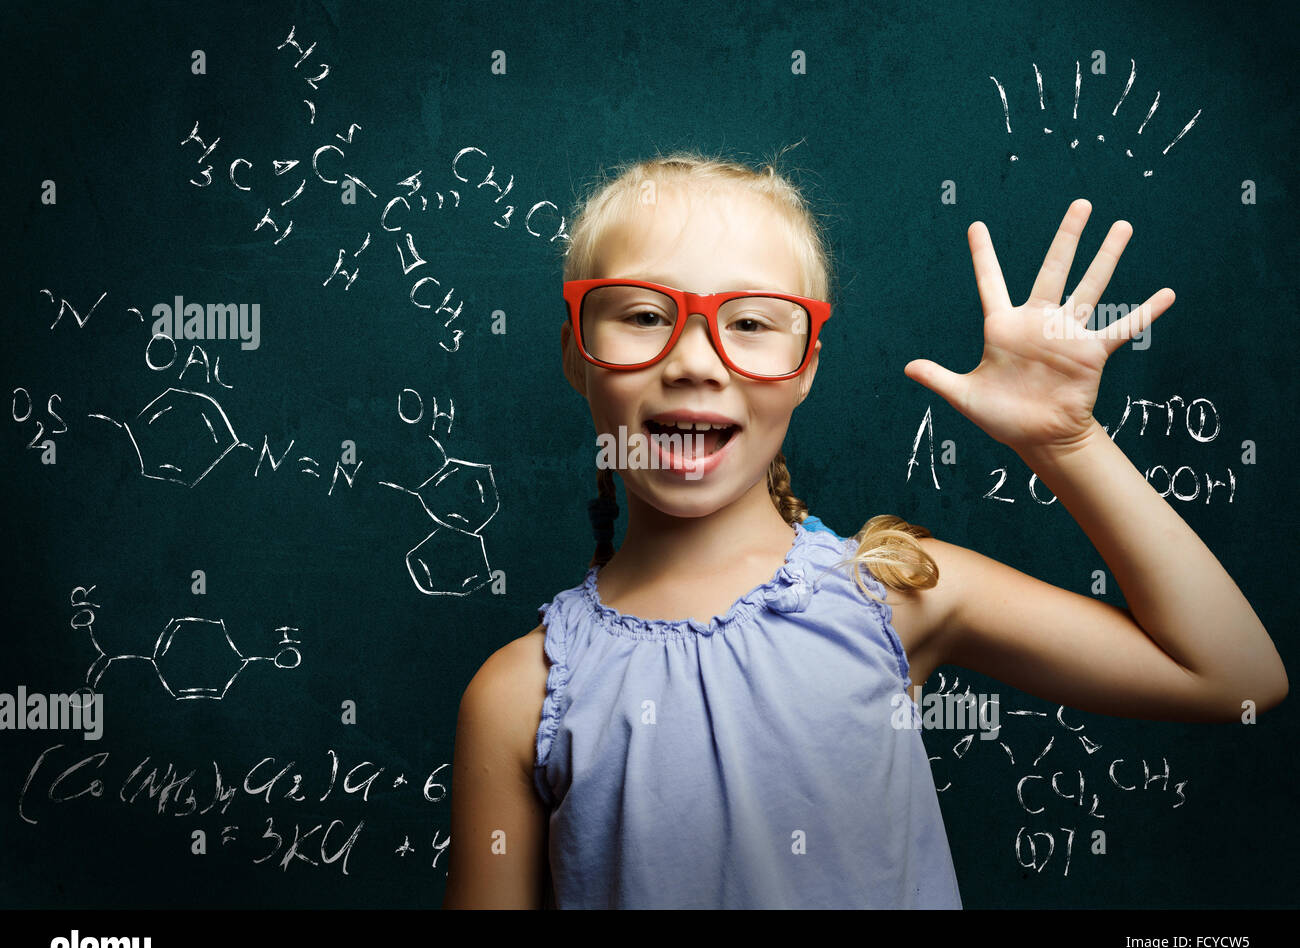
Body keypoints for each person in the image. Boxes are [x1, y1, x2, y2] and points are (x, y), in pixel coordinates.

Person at [441, 152, 1288, 909]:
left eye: (751, 322)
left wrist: (1065, 442)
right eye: (642, 315)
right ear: (575, 354)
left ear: (806, 366)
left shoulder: (893, 590)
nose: (694, 361)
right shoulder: (517, 697)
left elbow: (1234, 677)